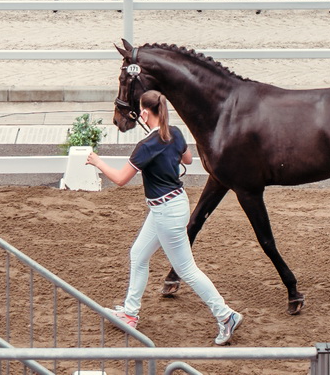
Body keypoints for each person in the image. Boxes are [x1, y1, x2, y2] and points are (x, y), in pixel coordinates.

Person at [88, 90, 243, 345]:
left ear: (145, 113)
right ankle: (129, 313)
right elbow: (188, 159)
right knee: (138, 254)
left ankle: (225, 315)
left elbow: (119, 179)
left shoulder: (146, 145)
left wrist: (97, 161)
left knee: (186, 269)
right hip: (172, 205)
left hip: (165, 212)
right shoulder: (176, 133)